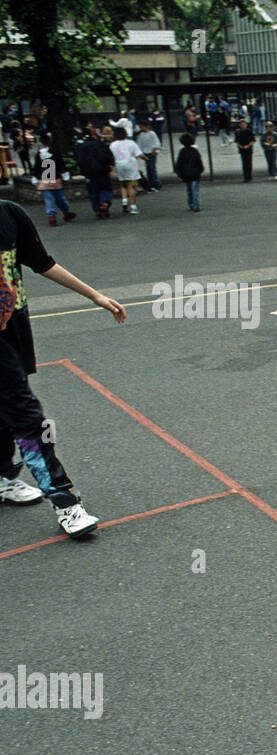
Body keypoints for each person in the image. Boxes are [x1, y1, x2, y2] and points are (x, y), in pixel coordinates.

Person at [0, 199, 126, 537]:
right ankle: (65, 502)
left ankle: (1, 475)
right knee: (28, 419)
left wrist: (93, 295)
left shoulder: (9, 214)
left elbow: (42, 262)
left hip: (13, 331)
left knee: (4, 411)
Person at [34, 134, 76, 227]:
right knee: (60, 198)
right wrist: (65, 174)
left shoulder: (39, 154)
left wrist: (35, 177)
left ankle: (51, 217)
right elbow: (60, 163)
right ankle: (66, 212)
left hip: (44, 180)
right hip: (55, 179)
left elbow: (36, 167)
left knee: (48, 199)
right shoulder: (55, 152)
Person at [74, 129, 114, 219]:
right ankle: (105, 202)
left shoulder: (80, 147)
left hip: (89, 173)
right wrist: (110, 164)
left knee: (93, 192)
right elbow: (108, 156)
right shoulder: (101, 144)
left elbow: (78, 160)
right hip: (103, 170)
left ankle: (97, 210)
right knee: (106, 188)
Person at [108, 126, 143, 214]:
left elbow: (111, 156)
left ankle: (124, 201)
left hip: (119, 166)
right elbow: (139, 154)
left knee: (123, 184)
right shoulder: (131, 143)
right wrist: (146, 159)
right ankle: (133, 207)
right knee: (131, 186)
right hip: (130, 166)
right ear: (125, 134)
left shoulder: (113, 144)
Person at [175, 132, 204, 212]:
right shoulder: (195, 151)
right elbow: (199, 162)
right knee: (195, 190)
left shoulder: (182, 152)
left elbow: (179, 163)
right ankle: (196, 205)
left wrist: (179, 174)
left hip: (186, 174)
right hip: (195, 173)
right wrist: (200, 170)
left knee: (189, 190)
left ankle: (190, 204)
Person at [136, 120, 162, 193]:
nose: (141, 128)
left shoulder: (152, 133)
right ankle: (151, 183)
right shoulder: (141, 135)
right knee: (149, 168)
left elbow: (156, 143)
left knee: (152, 168)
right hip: (145, 152)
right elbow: (139, 144)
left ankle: (156, 183)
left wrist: (154, 150)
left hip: (151, 152)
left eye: (142, 127)